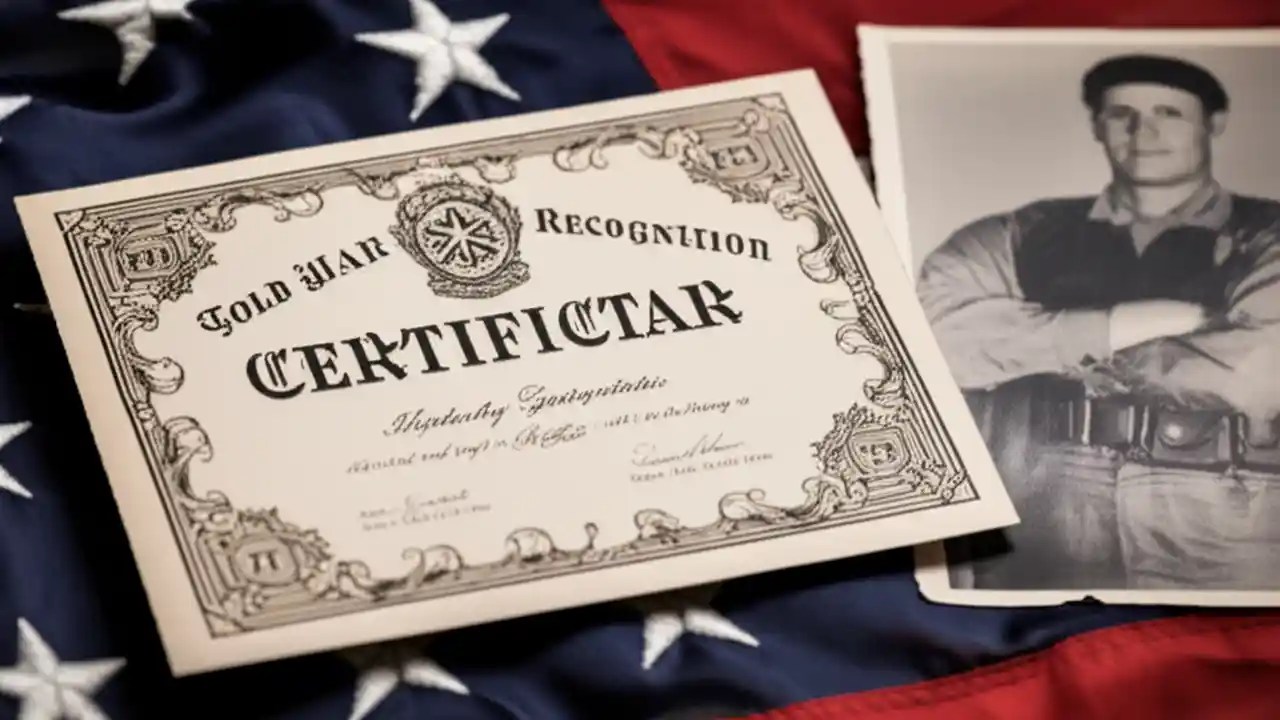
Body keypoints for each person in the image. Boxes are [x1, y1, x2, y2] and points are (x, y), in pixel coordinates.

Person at [918, 53, 1280, 591]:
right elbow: (923, 340)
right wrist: (1117, 325)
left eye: (1169, 112)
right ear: (1096, 125)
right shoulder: (1020, 232)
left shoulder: (1267, 232)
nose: (1144, 131)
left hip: (1220, 518)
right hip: (1045, 511)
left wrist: (1044, 351)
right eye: (1121, 114)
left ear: (1214, 123)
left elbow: (1259, 369)